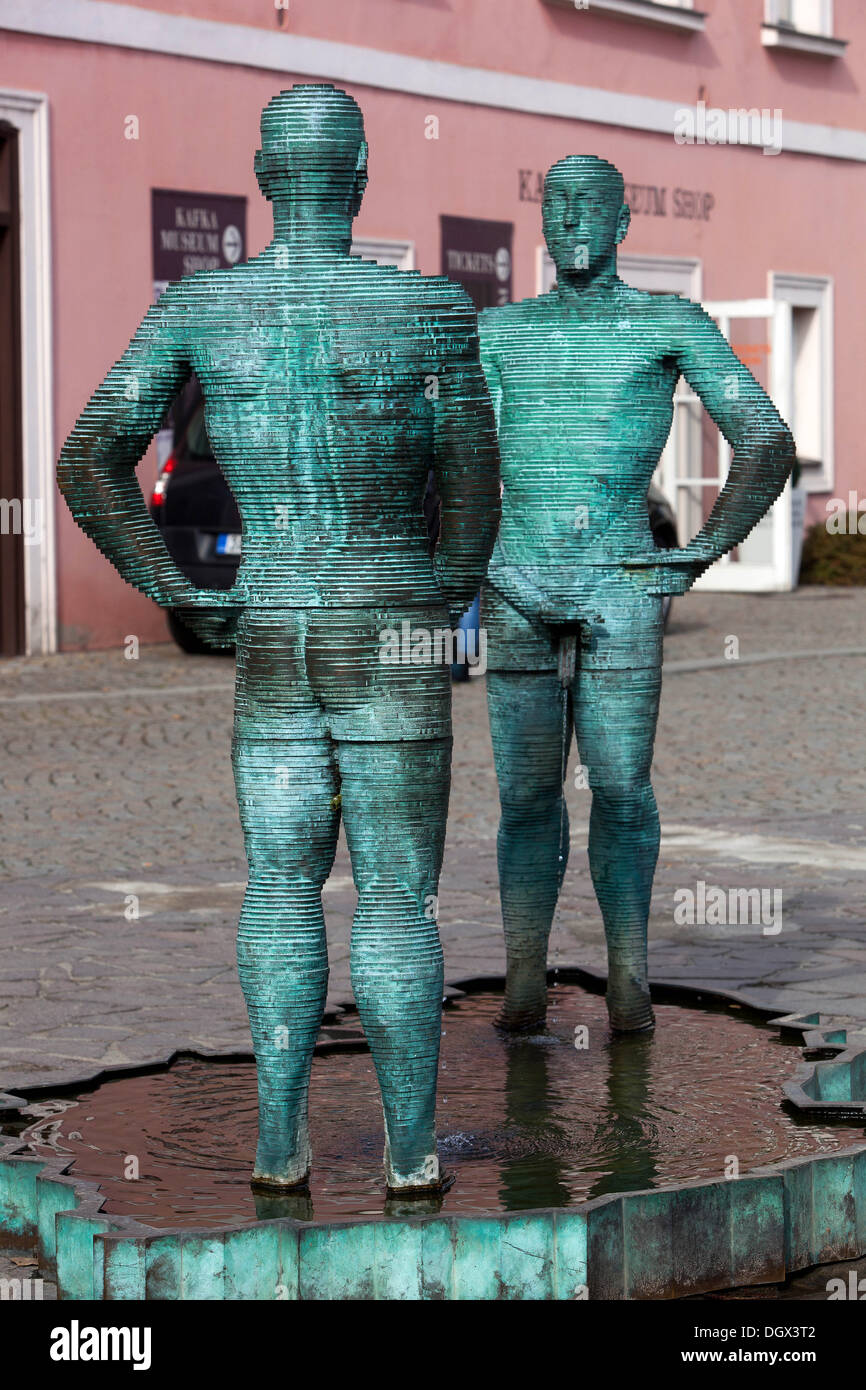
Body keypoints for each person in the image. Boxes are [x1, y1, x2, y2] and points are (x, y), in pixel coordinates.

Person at [57, 85, 500, 1195]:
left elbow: (88, 456)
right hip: (389, 618)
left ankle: (276, 1142)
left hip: (274, 623)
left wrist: (175, 586)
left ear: (264, 179)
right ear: (357, 180)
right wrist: (441, 599)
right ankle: (407, 1154)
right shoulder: (431, 312)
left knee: (278, 886)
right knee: (398, 896)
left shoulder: (201, 307)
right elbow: (474, 494)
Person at [478, 156, 794, 1035]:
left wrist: (695, 556)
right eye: (557, 204)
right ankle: (522, 979)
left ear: (624, 226)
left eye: (592, 207)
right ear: (542, 224)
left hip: (621, 581)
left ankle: (630, 980)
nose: (572, 219)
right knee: (526, 798)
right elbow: (450, 458)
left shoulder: (667, 324)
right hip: (516, 584)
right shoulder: (499, 333)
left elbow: (765, 442)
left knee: (621, 789)